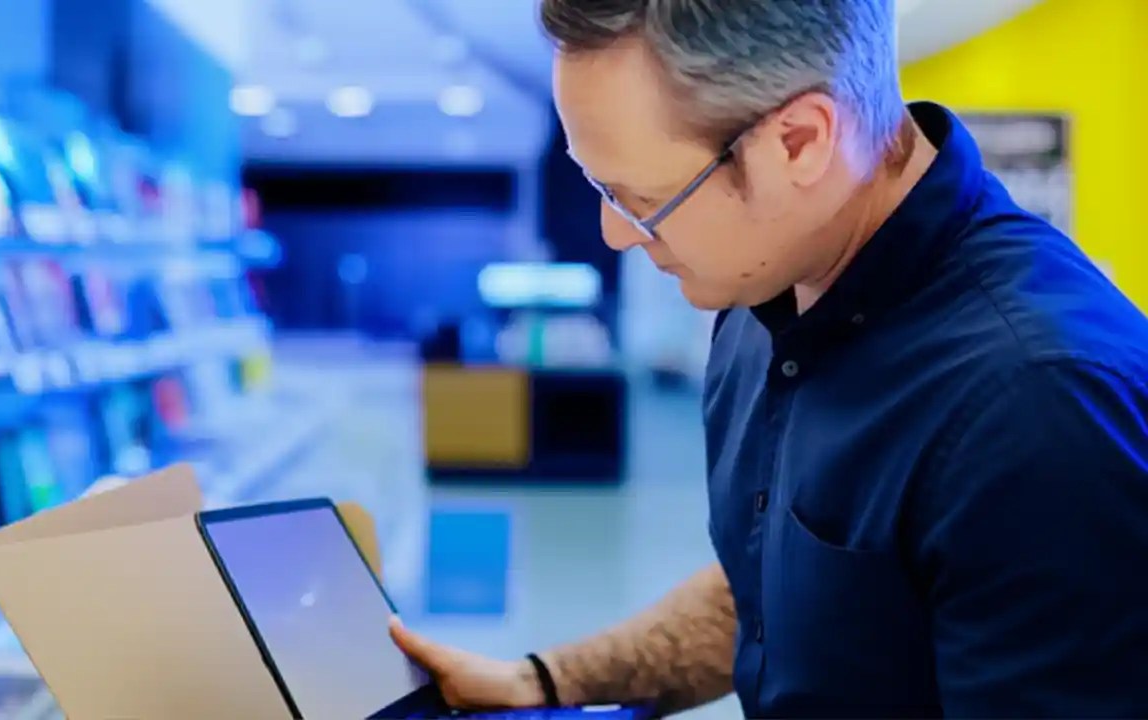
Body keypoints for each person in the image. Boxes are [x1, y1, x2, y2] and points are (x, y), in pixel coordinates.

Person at [391, 0, 1148, 716]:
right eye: (596, 186)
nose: (615, 234)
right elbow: (773, 590)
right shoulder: (768, 293)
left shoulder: (1040, 405)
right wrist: (543, 683)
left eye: (638, 199)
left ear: (800, 142)